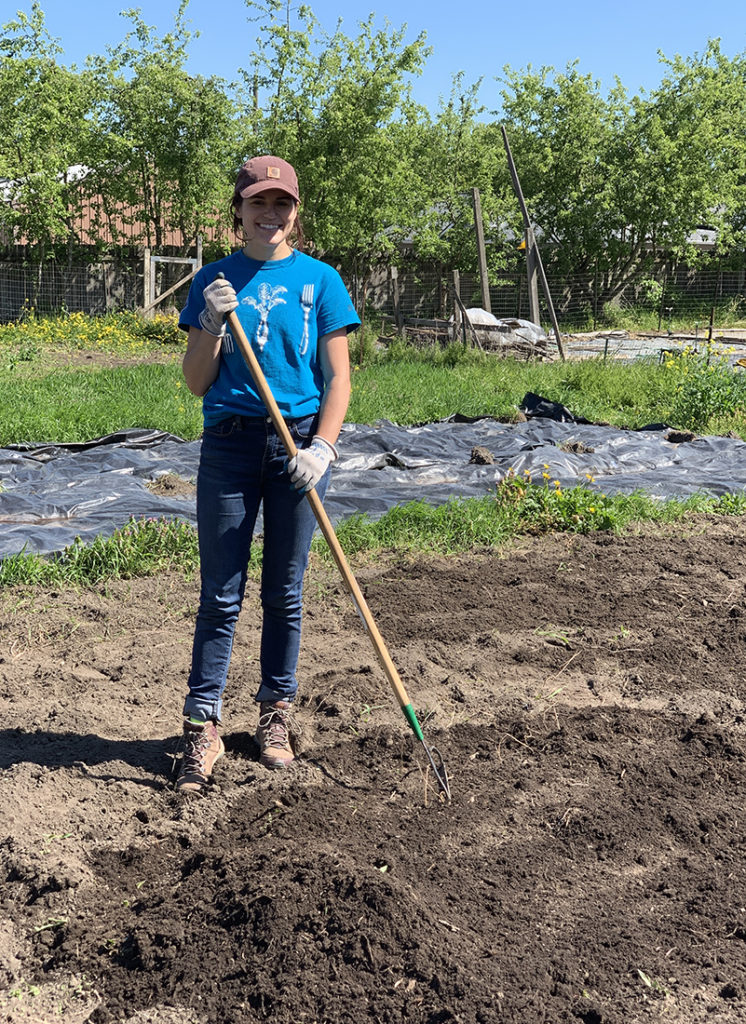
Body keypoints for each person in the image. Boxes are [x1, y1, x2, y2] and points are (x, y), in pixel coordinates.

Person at [175, 155, 360, 793]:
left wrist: (325, 449)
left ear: (295, 212)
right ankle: (203, 725)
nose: (270, 214)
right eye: (258, 202)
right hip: (228, 446)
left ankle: (274, 715)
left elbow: (338, 378)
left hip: (297, 448)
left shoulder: (321, 280)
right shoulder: (214, 280)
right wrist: (208, 322)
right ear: (239, 212)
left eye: (281, 204)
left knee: (285, 591)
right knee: (220, 594)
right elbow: (197, 381)